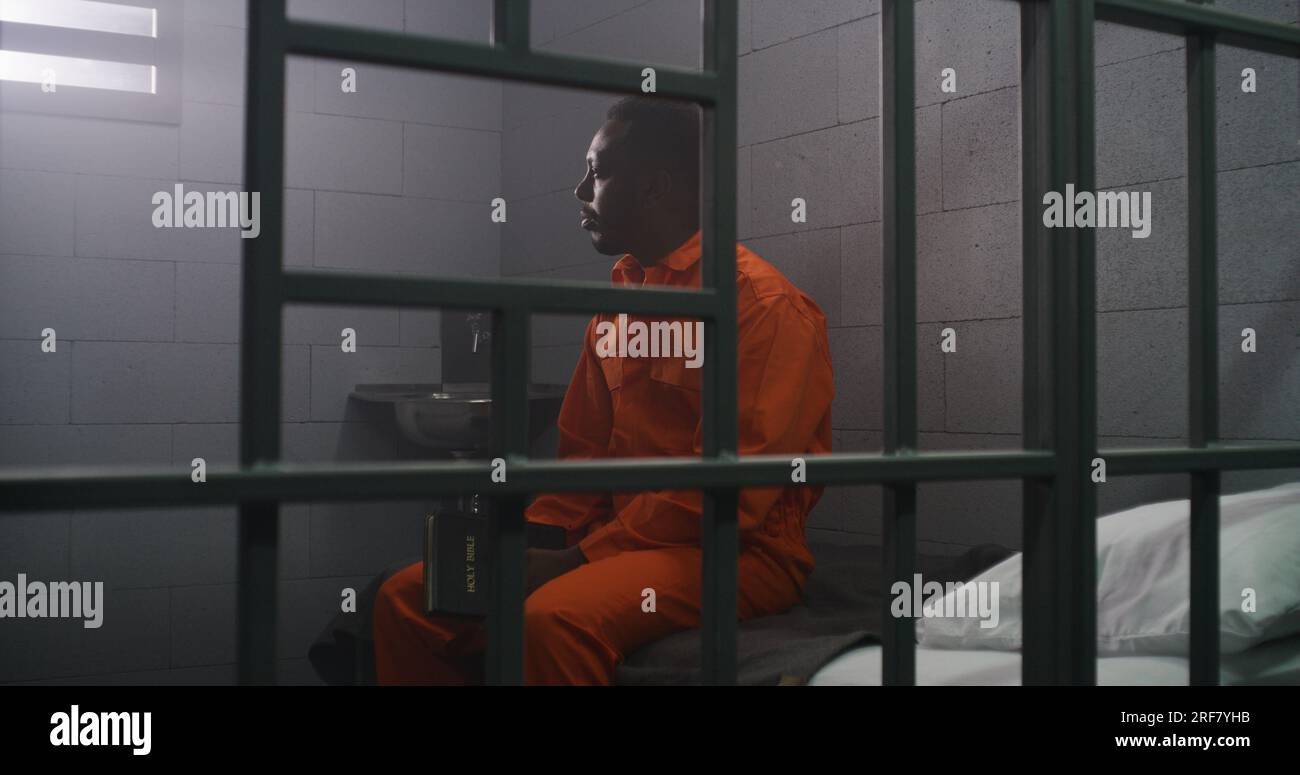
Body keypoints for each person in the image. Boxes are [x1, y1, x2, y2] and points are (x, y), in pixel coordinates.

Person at [372, 96, 834, 685]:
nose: (578, 189)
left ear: (653, 187)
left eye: (597, 170)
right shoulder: (617, 311)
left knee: (551, 619)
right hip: (617, 541)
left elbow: (731, 493)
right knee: (408, 599)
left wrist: (574, 559)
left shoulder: (762, 307)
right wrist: (525, 543)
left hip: (737, 555)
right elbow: (582, 465)